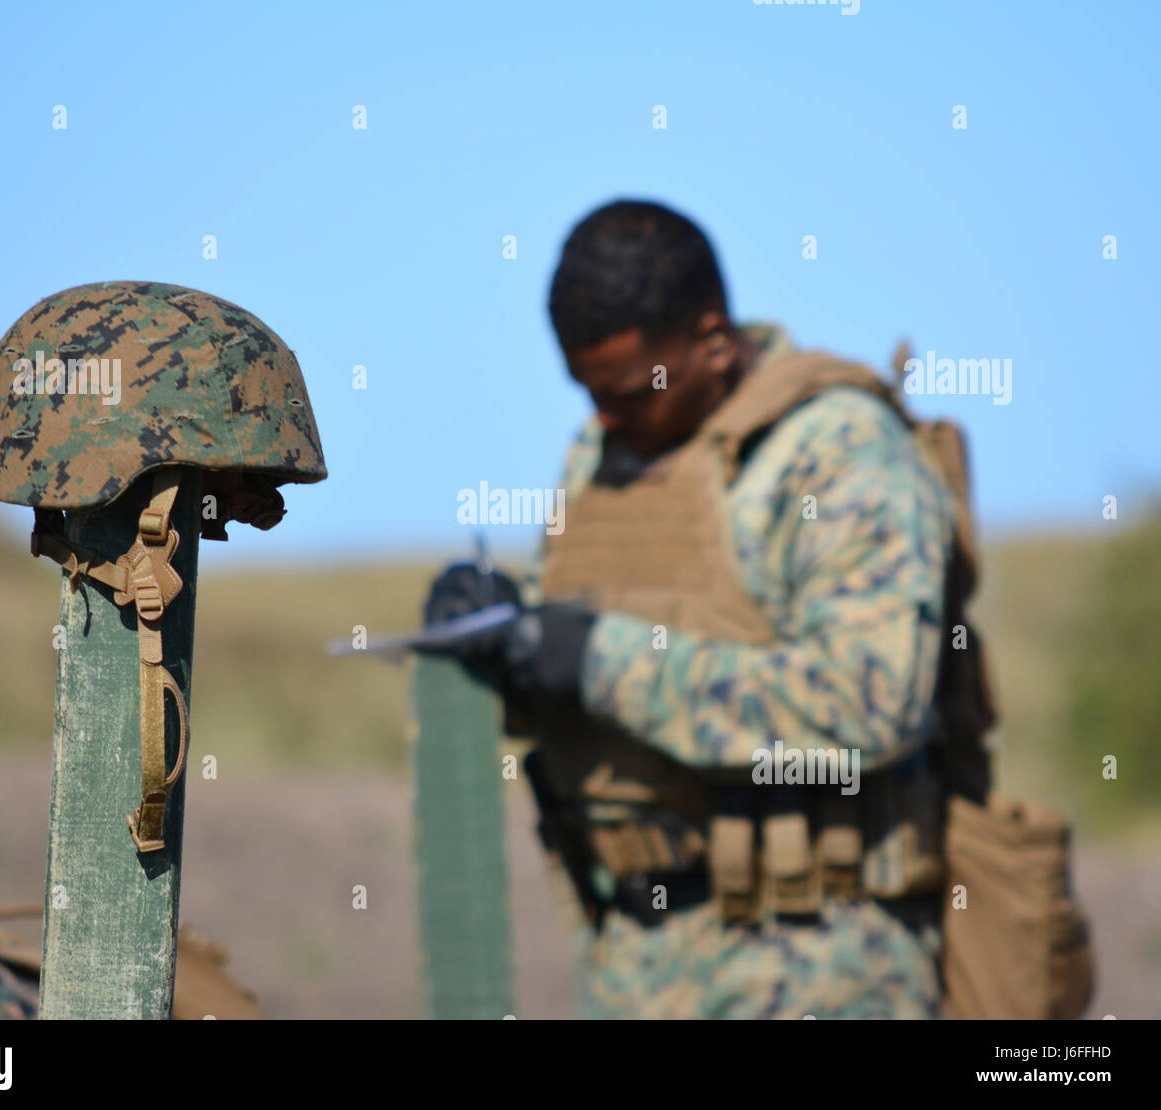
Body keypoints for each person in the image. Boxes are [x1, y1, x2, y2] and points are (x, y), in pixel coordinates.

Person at [424, 199, 993, 1019]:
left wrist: (596, 658)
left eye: (625, 392)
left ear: (714, 342)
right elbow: (587, 665)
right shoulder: (605, 452)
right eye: (587, 391)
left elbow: (871, 704)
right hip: (635, 952)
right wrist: (506, 636)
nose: (602, 417)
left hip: (817, 957)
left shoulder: (836, 449)